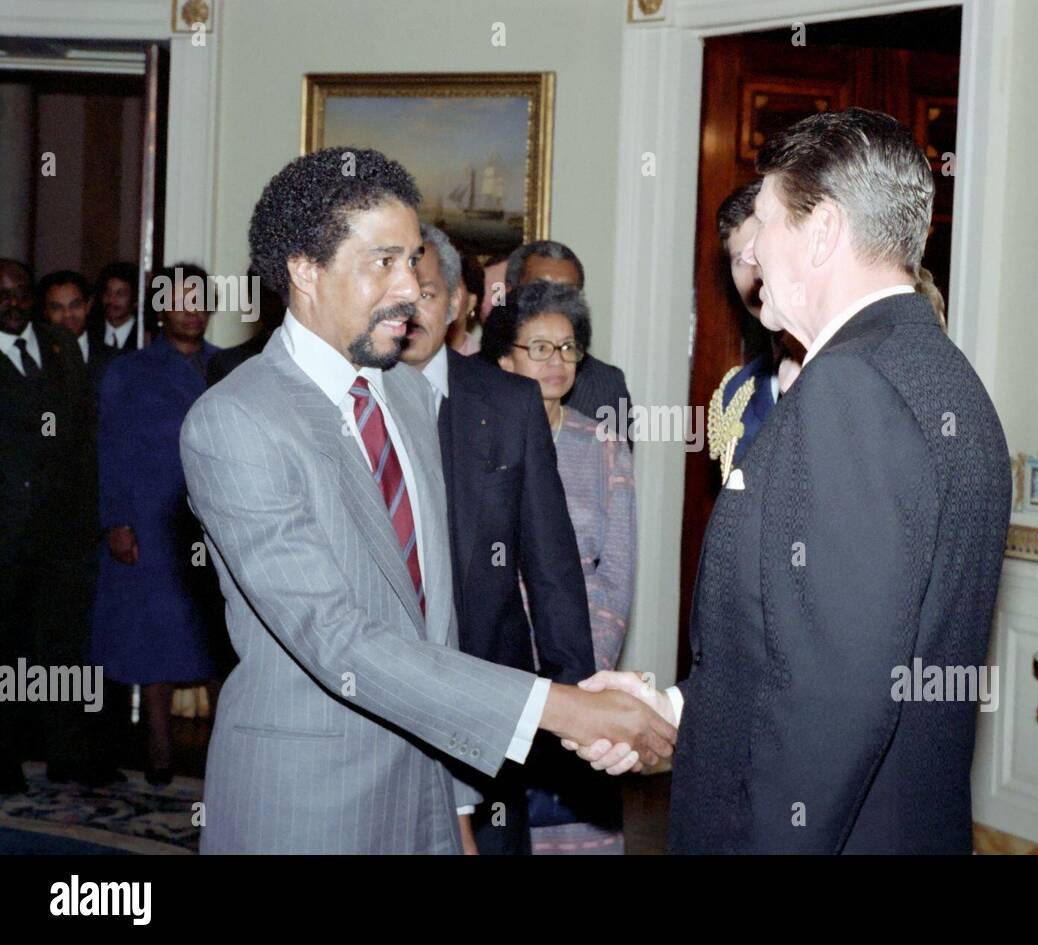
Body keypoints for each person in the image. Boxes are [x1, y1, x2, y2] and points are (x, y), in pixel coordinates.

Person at [178, 147, 673, 854]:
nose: (410, 287)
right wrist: (560, 709)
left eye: (413, 261)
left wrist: (461, 808)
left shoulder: (411, 395)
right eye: (383, 262)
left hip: (429, 800)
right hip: (305, 804)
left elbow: (436, 620)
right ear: (304, 271)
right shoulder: (236, 421)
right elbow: (340, 637)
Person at [580, 108, 1011, 853]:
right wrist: (678, 708)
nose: (751, 258)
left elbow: (833, 704)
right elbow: (811, 645)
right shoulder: (941, 371)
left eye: (767, 225)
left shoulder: (849, 388)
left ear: (822, 232)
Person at [399, 223, 595, 855]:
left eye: (426, 293)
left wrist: (573, 699)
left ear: (458, 303)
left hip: (488, 687)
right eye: (397, 290)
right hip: (379, 692)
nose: (410, 309)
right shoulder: (350, 403)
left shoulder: (509, 402)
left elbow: (552, 562)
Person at [482, 281, 637, 854]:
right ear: (504, 357)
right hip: (495, 671)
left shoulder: (601, 445)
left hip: (579, 666)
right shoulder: (475, 441)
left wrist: (584, 672)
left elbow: (616, 571)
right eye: (539, 348)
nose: (558, 362)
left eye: (568, 348)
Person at [91, 263, 226, 785]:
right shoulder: (130, 371)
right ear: (162, 309)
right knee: (156, 641)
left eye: (199, 300)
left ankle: (221, 758)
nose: (190, 310)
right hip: (152, 518)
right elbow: (110, 449)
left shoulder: (230, 366)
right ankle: (159, 754)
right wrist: (117, 521)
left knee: (217, 640)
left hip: (218, 522)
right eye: (179, 300)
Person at [0, 259, 103, 791]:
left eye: (19, 292)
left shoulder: (60, 347)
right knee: (9, 649)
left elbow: (82, 442)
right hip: (6, 536)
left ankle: (68, 755)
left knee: (64, 646)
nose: (11, 302)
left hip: (63, 535)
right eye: (2, 295)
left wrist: (91, 521)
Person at [708, 181, 801, 479]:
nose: (753, 270)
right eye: (739, 260)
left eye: (759, 250)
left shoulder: (848, 370)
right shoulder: (737, 393)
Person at [504, 240, 633, 442]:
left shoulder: (605, 386)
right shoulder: (471, 377)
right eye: (540, 292)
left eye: (568, 296)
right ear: (509, 293)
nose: (554, 306)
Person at [206, 268, 286, 388]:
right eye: (261, 294)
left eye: (278, 293)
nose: (270, 302)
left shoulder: (317, 356)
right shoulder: (228, 363)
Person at [37, 269, 118, 388]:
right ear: (45, 312)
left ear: (88, 305)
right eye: (57, 308)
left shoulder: (115, 360)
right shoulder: (35, 359)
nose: (67, 314)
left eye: (75, 305)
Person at [90, 261, 147, 352]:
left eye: (120, 294)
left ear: (136, 299)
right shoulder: (90, 332)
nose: (111, 300)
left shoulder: (145, 337)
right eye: (108, 292)